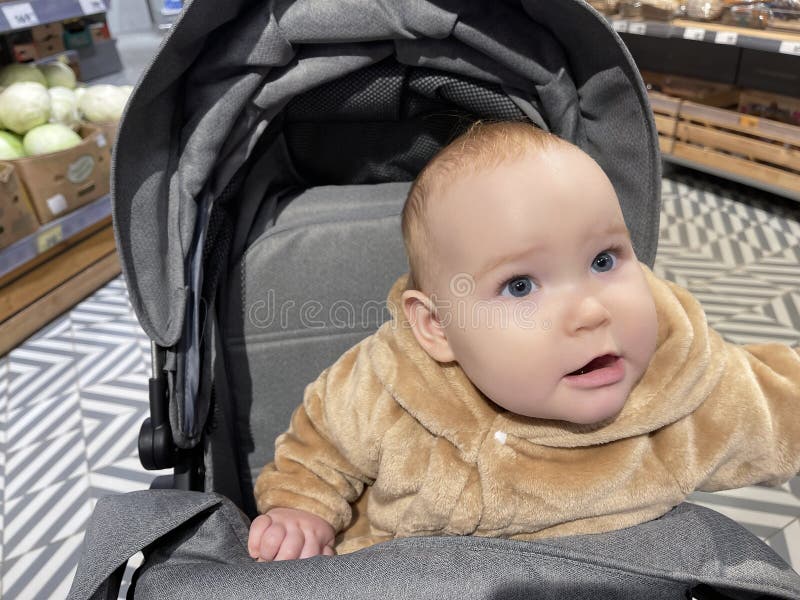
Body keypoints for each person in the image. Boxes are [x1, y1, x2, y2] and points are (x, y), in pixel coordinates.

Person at [247, 121, 800, 562]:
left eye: (604, 260)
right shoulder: (390, 382)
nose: (589, 311)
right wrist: (302, 508)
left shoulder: (685, 385)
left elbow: (781, 407)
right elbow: (322, 447)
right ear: (438, 328)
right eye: (519, 285)